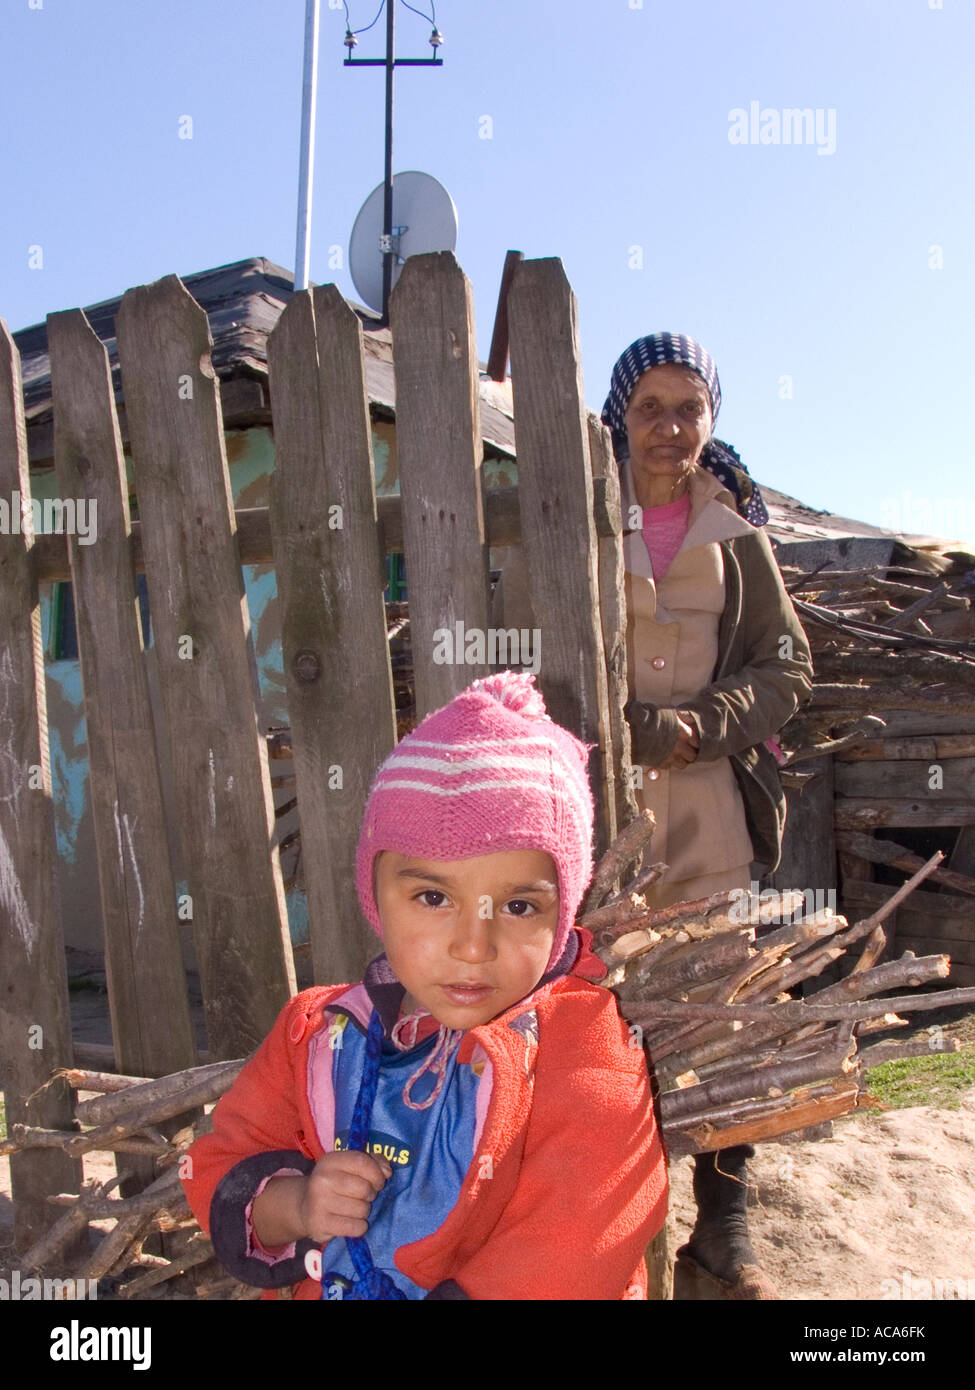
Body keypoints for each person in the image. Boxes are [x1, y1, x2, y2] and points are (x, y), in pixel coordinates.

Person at [492, 332, 814, 1300]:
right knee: (592, 1011)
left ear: (711, 421)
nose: (670, 429)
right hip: (589, 806)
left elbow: (785, 668)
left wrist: (693, 725)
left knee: (723, 1009)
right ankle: (598, 1228)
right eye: (650, 409)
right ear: (618, 419)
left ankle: (722, 1233)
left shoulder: (737, 536)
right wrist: (602, 724)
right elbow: (516, 643)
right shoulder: (570, 520)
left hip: (707, 799)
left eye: (690, 409)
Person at [180, 670, 668, 1300]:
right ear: (374, 897)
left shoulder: (579, 1043)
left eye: (519, 907)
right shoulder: (317, 1034)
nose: (473, 946)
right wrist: (296, 1204)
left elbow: (581, 1239)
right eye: (434, 897)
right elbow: (220, 1161)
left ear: (563, 909)